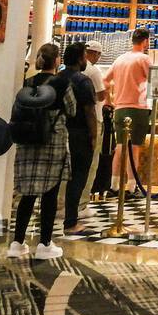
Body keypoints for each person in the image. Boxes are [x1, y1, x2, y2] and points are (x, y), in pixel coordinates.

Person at [9, 42, 76, 259]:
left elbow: (17, 109)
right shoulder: (62, 83)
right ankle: (45, 243)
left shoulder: (28, 83)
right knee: (50, 194)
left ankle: (17, 242)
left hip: (28, 142)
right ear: (57, 60)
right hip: (53, 142)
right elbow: (72, 109)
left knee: (27, 194)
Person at [103, 28, 153, 199]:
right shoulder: (144, 59)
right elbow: (156, 81)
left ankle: (114, 186)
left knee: (120, 147)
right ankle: (131, 187)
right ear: (145, 41)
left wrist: (108, 101)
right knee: (134, 148)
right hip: (137, 108)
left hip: (119, 108)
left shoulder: (120, 59)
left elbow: (105, 80)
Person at [60, 42, 99, 235]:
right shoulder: (83, 81)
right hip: (79, 134)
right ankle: (71, 222)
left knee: (56, 180)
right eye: (84, 57)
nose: (86, 61)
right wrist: (94, 135)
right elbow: (90, 111)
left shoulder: (57, 78)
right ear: (79, 59)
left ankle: (49, 221)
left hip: (59, 133)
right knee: (77, 178)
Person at [75, 39, 108, 218]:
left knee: (72, 165)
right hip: (94, 120)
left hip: (74, 122)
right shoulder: (94, 70)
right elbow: (102, 95)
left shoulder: (70, 71)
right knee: (90, 164)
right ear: (94, 54)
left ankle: (64, 204)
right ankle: (81, 205)